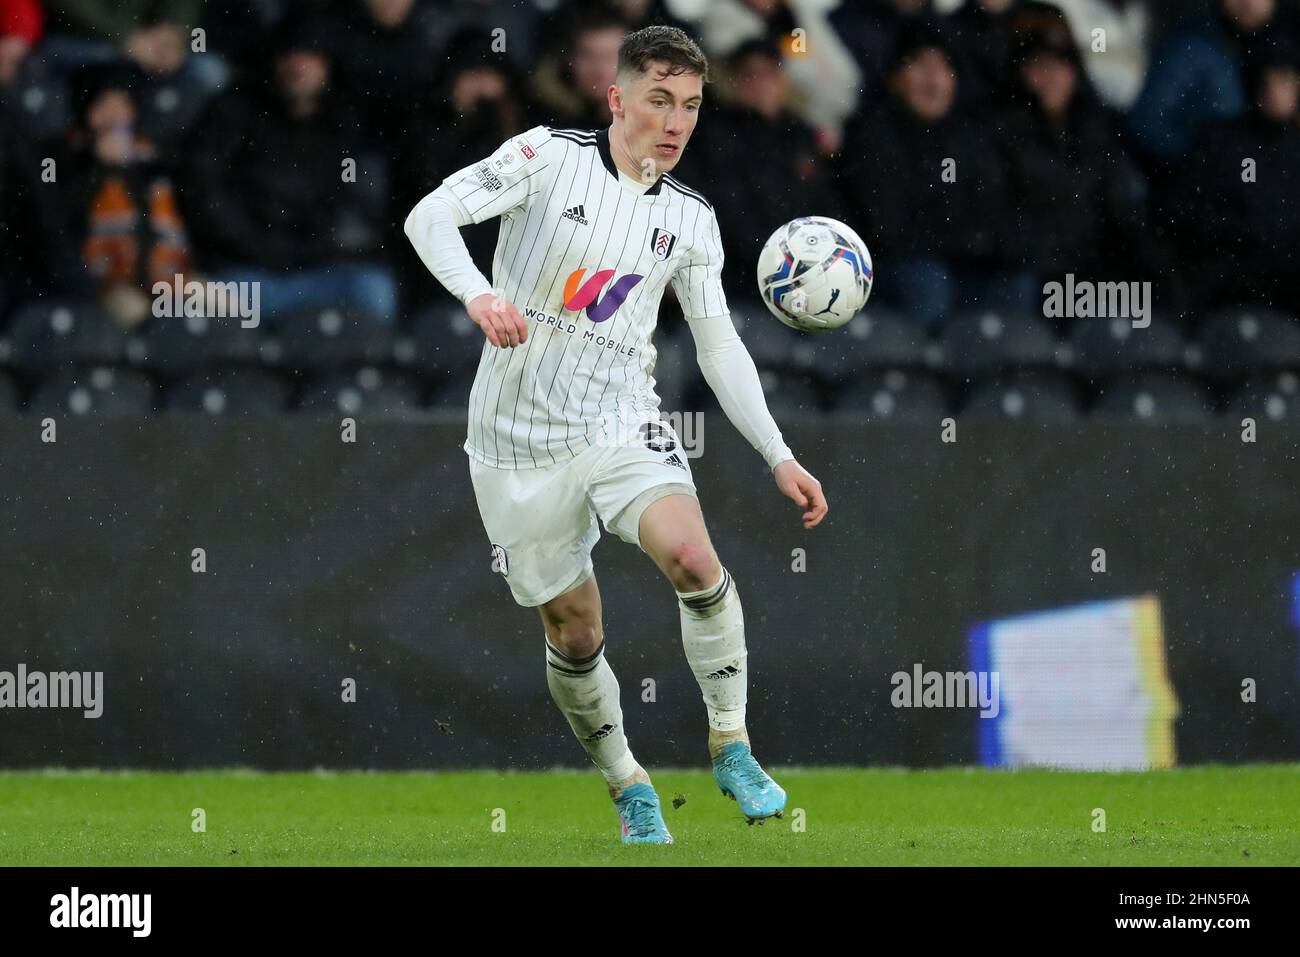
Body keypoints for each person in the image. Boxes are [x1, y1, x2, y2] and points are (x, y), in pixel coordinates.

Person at [404, 25, 827, 845]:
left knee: (696, 562)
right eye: (660, 100)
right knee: (576, 630)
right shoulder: (544, 158)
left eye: (692, 106)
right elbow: (430, 218)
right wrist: (478, 296)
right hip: (514, 439)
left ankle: (731, 742)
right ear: (617, 98)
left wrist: (778, 453)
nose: (675, 120)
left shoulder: (692, 220)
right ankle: (628, 783)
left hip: (620, 418)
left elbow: (718, 343)